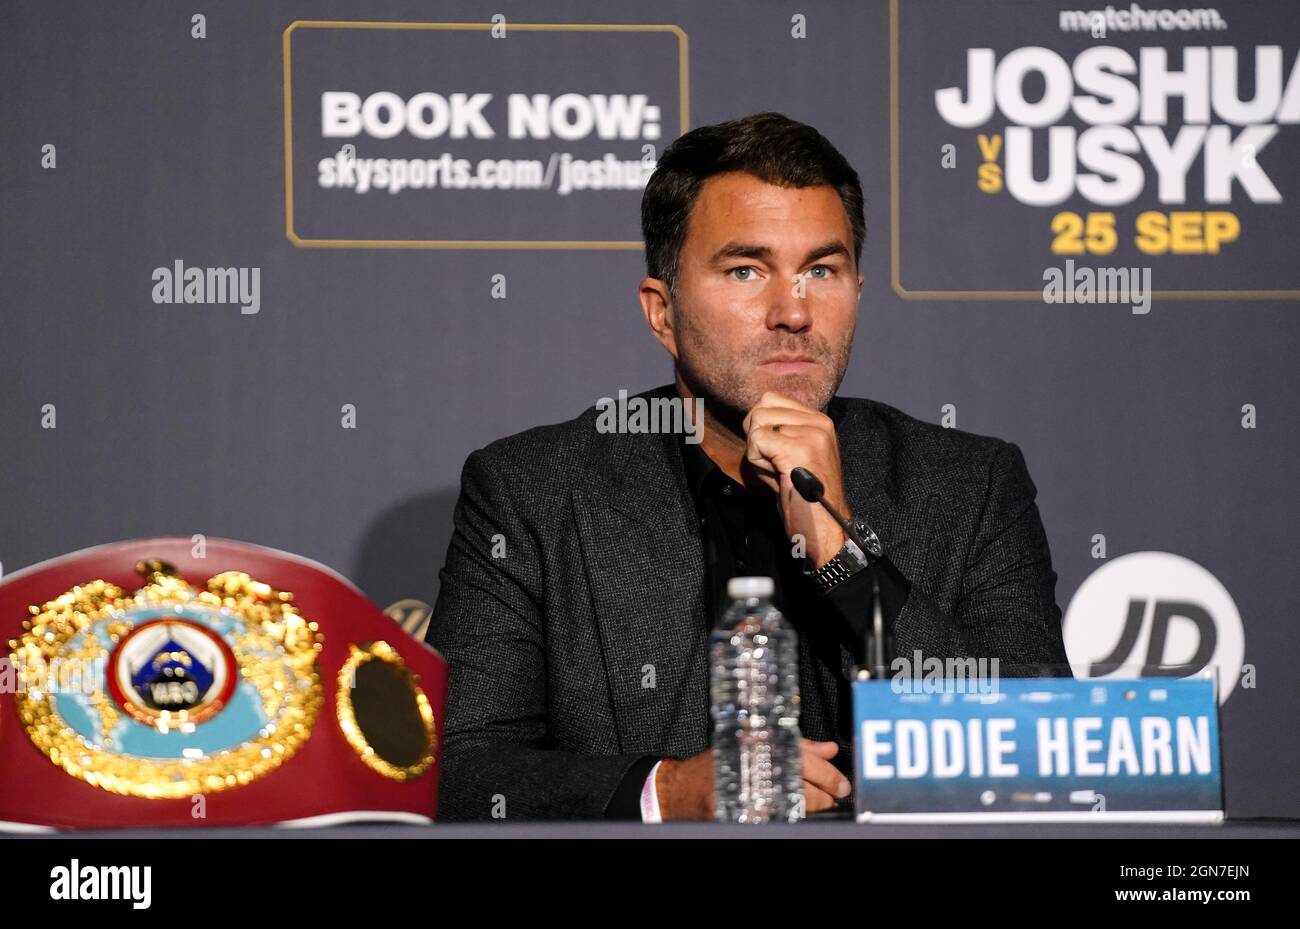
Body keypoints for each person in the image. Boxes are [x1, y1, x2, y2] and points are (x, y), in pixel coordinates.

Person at [425, 112, 1069, 822]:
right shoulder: (532, 491)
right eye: (745, 270)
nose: (792, 311)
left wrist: (842, 552)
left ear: (857, 290)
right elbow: (457, 768)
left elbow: (1042, 749)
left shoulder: (971, 484)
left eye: (821, 270)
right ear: (662, 312)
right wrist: (667, 792)